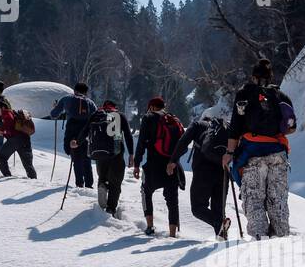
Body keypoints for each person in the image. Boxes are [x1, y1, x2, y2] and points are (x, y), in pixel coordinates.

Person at [223, 59, 295, 239]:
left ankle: (260, 243)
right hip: (278, 155)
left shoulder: (244, 95)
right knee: (277, 201)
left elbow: (235, 127)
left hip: (252, 156)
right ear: (270, 77)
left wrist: (229, 153)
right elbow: (291, 127)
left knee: (254, 201)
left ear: (253, 77)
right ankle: (281, 240)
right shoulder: (281, 96)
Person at [169, 106, 232, 239]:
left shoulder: (198, 125)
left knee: (197, 208)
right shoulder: (226, 128)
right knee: (218, 210)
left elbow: (183, 141)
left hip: (203, 172)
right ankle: (221, 240)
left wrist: (173, 160)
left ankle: (219, 224)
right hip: (223, 172)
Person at [132, 96, 184, 237]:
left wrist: (136, 164)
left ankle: (150, 226)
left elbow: (141, 143)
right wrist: (174, 161)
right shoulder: (174, 119)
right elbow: (183, 144)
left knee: (146, 192)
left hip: (153, 165)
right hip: (172, 165)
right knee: (172, 199)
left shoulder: (149, 118)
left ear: (152, 107)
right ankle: (173, 234)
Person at [86, 99, 134, 216]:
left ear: (103, 106)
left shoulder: (96, 116)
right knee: (115, 182)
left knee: (102, 176)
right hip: (116, 153)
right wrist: (131, 154)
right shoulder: (119, 116)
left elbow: (85, 130)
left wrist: (76, 141)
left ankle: (102, 184)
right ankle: (111, 208)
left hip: (100, 154)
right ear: (115, 107)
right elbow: (127, 135)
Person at [47, 82, 98, 188]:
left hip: (72, 133)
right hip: (86, 134)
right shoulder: (90, 103)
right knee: (86, 159)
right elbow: (96, 117)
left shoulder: (66, 99)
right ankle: (89, 185)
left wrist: (55, 108)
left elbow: (53, 114)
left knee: (77, 159)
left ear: (74, 90)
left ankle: (79, 183)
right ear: (86, 92)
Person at [0, 102, 38, 179]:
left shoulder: (6, 112)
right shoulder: (14, 113)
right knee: (28, 164)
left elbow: (9, 124)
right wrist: (3, 132)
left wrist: (1, 130)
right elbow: (12, 127)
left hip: (16, 139)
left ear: (2, 108)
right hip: (25, 139)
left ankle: (7, 176)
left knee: (1, 157)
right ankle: (34, 180)